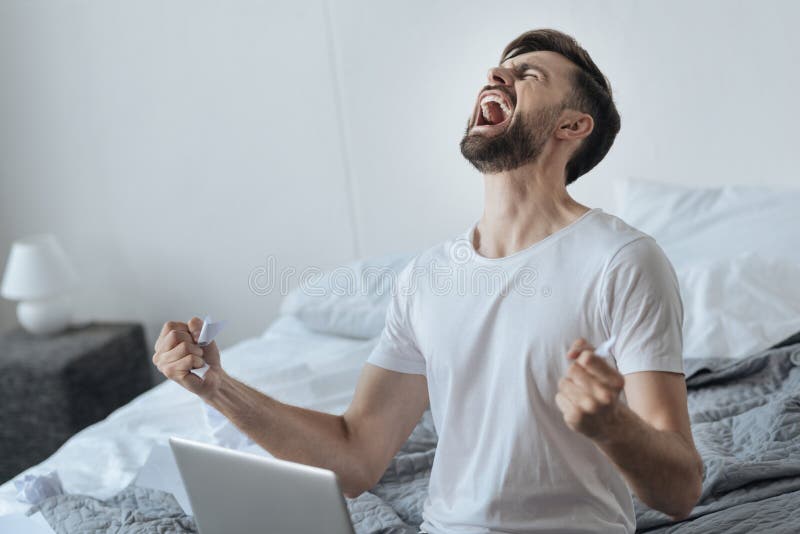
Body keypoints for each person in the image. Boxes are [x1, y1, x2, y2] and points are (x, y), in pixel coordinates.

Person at [153, 28, 703, 533]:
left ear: (572, 126)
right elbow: (355, 457)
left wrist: (611, 426)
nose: (497, 76)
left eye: (529, 74)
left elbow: (680, 491)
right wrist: (217, 387)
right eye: (498, 69)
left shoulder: (623, 260)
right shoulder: (426, 278)